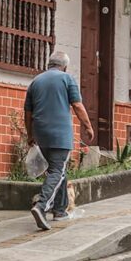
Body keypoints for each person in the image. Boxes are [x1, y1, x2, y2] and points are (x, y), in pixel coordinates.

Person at [24, 51, 94, 230]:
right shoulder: (67, 79)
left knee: (56, 171)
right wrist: (88, 126)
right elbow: (77, 105)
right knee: (57, 171)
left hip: (41, 134)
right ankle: (41, 207)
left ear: (49, 64)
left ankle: (60, 211)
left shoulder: (35, 81)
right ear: (65, 66)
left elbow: (28, 112)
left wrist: (30, 135)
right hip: (60, 135)